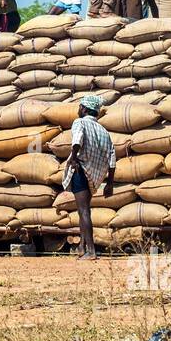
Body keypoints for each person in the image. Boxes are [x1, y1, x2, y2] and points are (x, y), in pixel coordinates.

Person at [61, 95, 115, 261]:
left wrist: (74, 157)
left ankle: (91, 251)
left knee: (84, 211)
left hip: (81, 171)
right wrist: (109, 183)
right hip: (95, 175)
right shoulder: (103, 131)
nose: (78, 109)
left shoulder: (80, 123)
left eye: (79, 107)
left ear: (84, 109)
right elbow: (112, 157)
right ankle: (82, 247)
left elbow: (77, 140)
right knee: (83, 209)